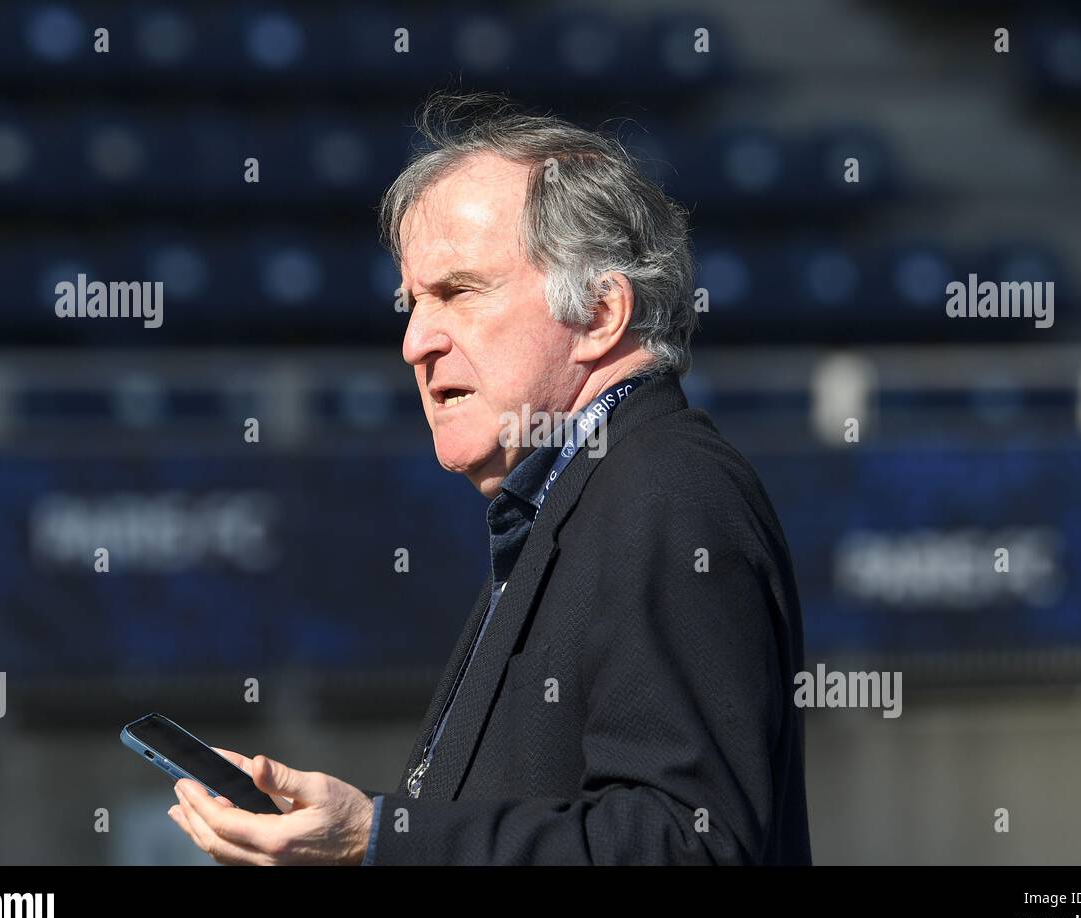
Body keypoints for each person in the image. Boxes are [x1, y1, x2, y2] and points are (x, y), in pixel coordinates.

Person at [168, 92, 811, 865]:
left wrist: (378, 839)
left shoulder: (666, 492)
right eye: (412, 302)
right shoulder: (573, 497)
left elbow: (688, 845)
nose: (415, 342)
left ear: (600, 313)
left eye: (458, 292)